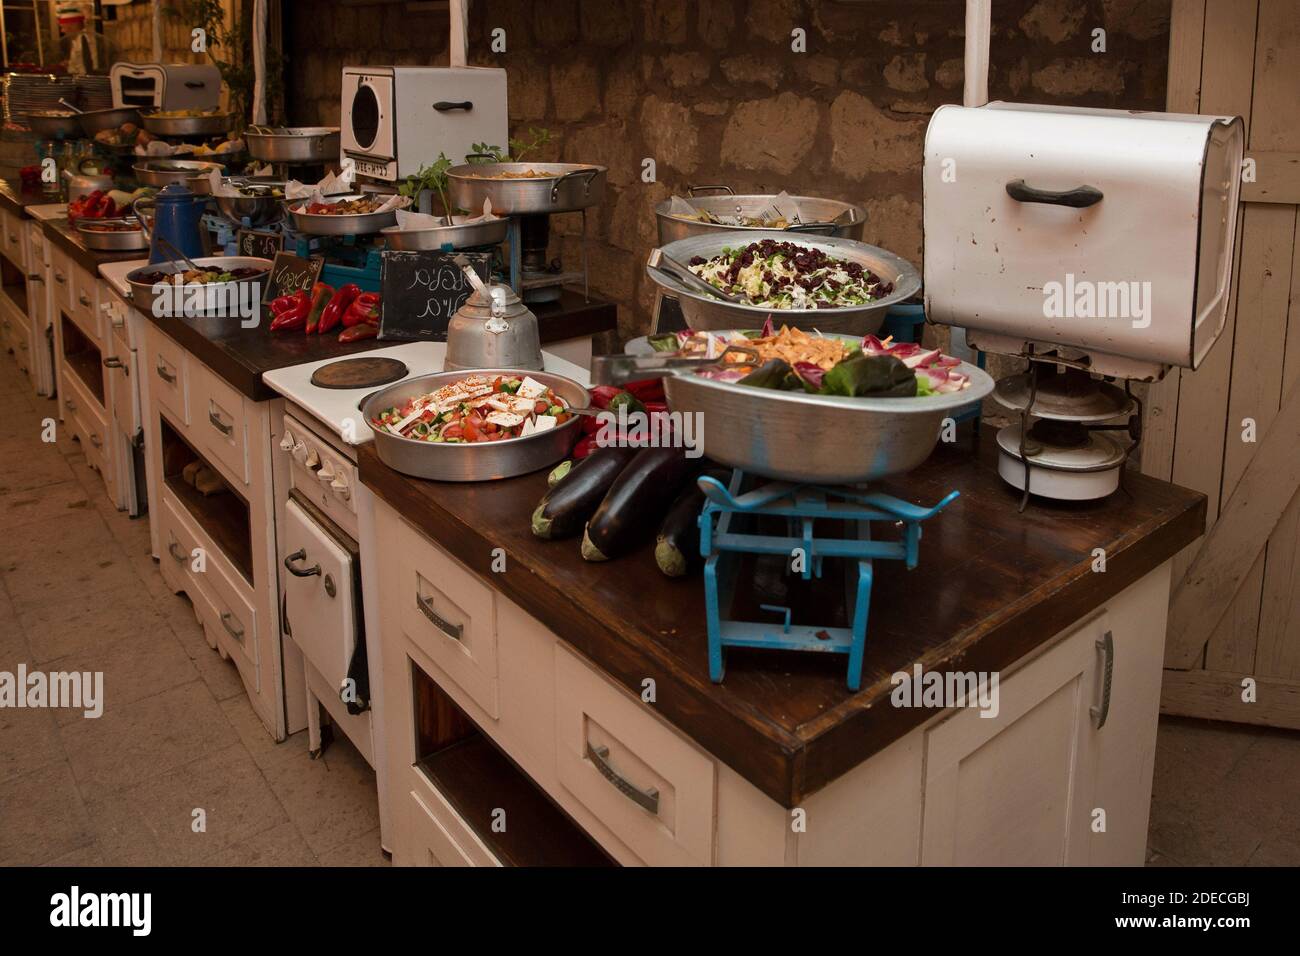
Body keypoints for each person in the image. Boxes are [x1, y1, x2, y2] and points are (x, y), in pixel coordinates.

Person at [58, 3, 110, 76]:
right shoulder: (74, 42)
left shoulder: (86, 40)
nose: (62, 31)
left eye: (63, 27)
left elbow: (90, 69)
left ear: (73, 26)